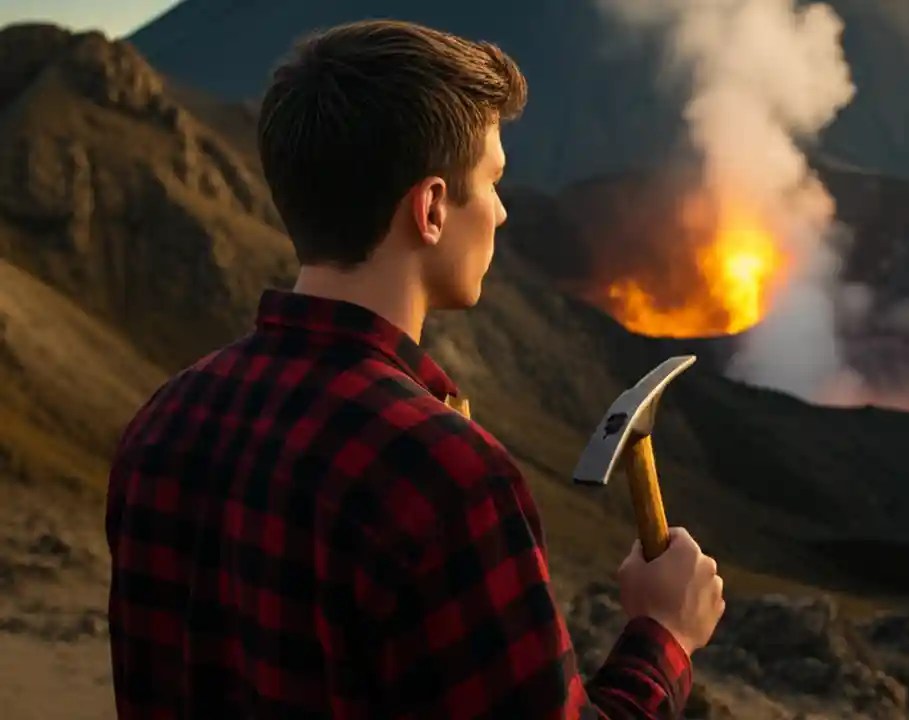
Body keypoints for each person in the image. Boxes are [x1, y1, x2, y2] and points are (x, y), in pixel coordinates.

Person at [105, 19, 725, 719]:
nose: (500, 210)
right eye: (492, 181)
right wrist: (664, 634)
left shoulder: (161, 423)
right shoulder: (447, 480)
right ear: (430, 208)